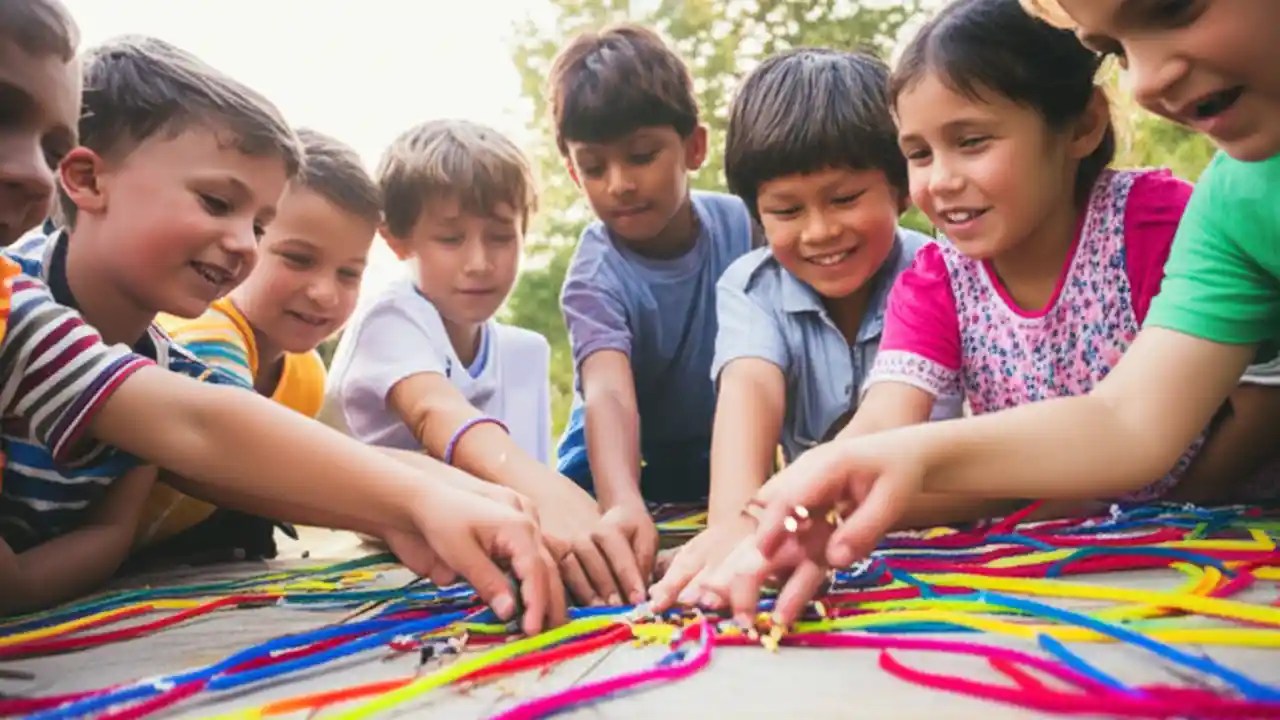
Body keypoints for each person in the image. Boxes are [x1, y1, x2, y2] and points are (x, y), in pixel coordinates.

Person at [701, 0, 1280, 628]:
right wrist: (774, 522)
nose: (942, 180)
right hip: (1106, 563)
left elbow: (1252, 398)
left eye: (971, 142)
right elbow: (884, 426)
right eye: (918, 155)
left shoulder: (1160, 222)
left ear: (1081, 127)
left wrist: (1165, 509)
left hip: (1219, 541)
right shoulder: (939, 278)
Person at [1, 35, 563, 628]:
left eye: (261, 225)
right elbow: (201, 427)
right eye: (217, 202)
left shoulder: (156, 365)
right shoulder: (24, 300)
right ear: (86, 181)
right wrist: (421, 503)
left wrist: (460, 502)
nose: (245, 243)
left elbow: (202, 452)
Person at [650, 49, 961, 611]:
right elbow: (748, 399)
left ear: (898, 187)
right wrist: (733, 527)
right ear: (757, 215)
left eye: (844, 199)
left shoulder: (942, 273)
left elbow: (939, 479)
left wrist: (767, 520)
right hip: (804, 524)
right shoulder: (752, 288)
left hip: (927, 532)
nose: (820, 231)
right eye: (787, 212)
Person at [326, 119, 642, 607]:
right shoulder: (391, 318)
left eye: (499, 237)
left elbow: (531, 503)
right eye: (451, 240)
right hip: (382, 567)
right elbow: (435, 412)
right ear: (398, 242)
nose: (479, 262)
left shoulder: (522, 352)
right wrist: (555, 496)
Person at [550, 24, 757, 593]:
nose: (619, 184)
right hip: (607, 460)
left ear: (693, 147)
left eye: (641, 156)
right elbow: (608, 393)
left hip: (710, 451)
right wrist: (621, 500)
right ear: (573, 172)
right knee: (594, 545)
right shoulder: (595, 274)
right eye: (594, 167)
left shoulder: (748, 226)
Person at [139, 128, 377, 555]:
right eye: (299, 259)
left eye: (349, 273)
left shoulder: (306, 375)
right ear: (247, 239)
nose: (325, 292)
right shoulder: (202, 328)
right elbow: (236, 446)